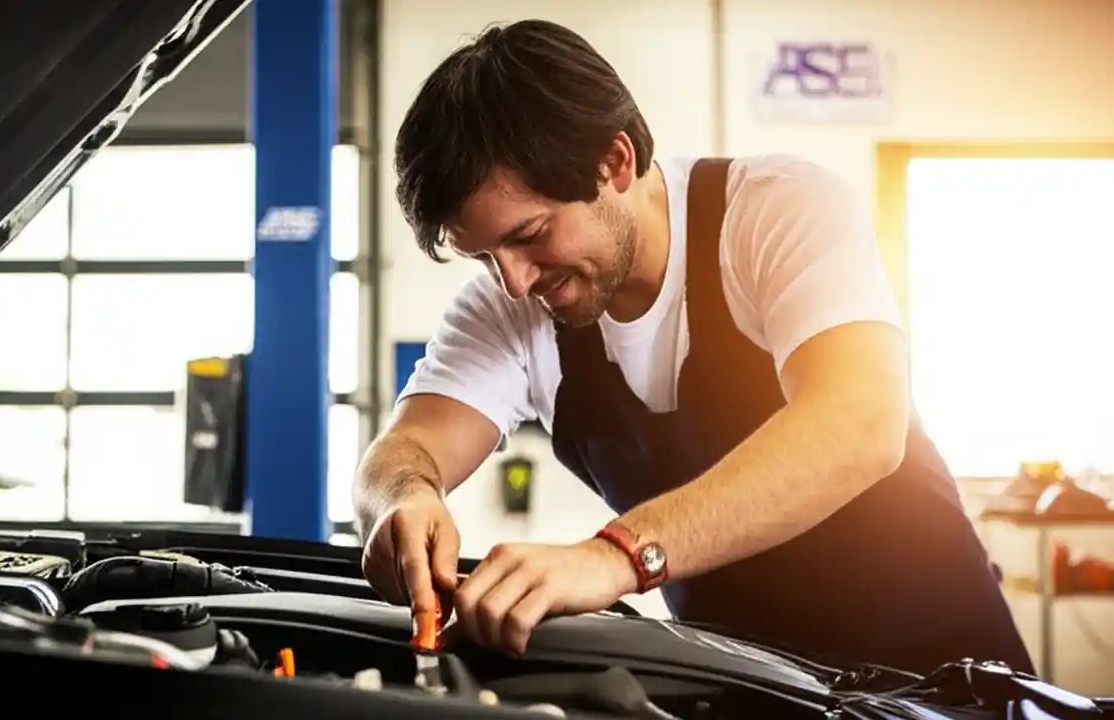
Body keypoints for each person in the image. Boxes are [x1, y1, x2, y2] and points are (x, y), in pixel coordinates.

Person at [352, 18, 1033, 675]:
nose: (514, 280)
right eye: (484, 257)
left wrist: (616, 555)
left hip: (942, 679)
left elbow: (861, 422)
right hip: (749, 686)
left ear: (614, 161)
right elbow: (404, 453)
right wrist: (405, 499)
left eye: (529, 234)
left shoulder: (779, 211)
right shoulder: (511, 306)